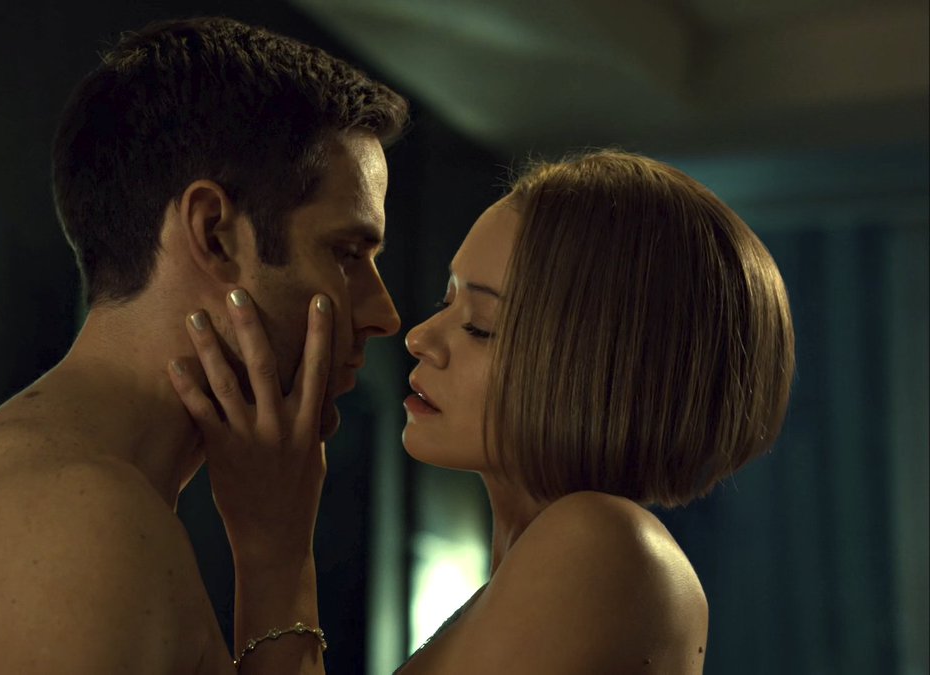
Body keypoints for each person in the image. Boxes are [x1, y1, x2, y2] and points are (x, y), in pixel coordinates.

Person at [0, 17, 407, 674]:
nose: (384, 315)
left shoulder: (52, 492)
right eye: (346, 253)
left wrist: (276, 552)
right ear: (213, 233)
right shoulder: (76, 525)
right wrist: (279, 567)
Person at [169, 149, 796, 673]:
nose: (420, 338)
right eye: (447, 302)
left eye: (481, 326)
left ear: (605, 368)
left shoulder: (600, 542)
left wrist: (275, 549)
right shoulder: (537, 569)